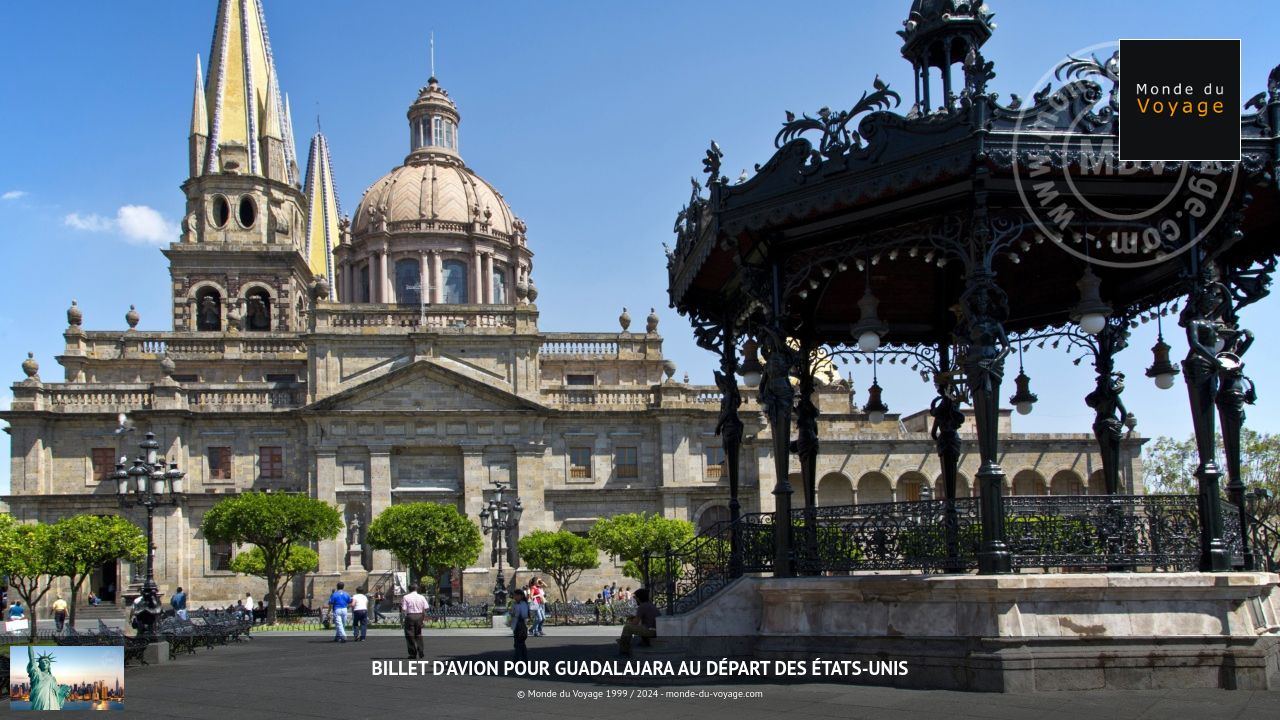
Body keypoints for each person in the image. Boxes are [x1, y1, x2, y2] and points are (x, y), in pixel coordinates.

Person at [26, 646, 72, 710]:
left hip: (53, 703)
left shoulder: (53, 678)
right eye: (42, 662)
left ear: (49, 665)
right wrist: (30, 646)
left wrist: (64, 693)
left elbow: (58, 693)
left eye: (46, 662)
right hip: (40, 701)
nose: (44, 663)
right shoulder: (37, 674)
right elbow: (32, 659)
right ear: (39, 665)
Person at [617, 588, 659, 655]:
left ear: (639, 598)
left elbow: (635, 622)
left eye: (635, 597)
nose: (635, 599)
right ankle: (625, 642)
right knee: (632, 626)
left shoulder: (642, 606)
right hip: (655, 629)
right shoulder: (650, 605)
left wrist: (629, 621)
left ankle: (624, 649)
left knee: (627, 627)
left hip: (651, 631)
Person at [401, 583, 428, 659]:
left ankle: (413, 653)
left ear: (409, 589)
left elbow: (404, 609)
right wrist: (423, 617)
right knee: (419, 634)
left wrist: (403, 618)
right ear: (416, 589)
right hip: (420, 615)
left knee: (410, 635)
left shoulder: (406, 597)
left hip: (410, 616)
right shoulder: (421, 597)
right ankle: (421, 650)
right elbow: (426, 607)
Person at [509, 589, 530, 662]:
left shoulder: (523, 604)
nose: (514, 597)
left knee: (518, 645)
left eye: (515, 595)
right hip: (516, 626)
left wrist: (514, 614)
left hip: (521, 626)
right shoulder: (515, 603)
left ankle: (516, 661)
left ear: (520, 596)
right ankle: (524, 661)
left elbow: (524, 615)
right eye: (514, 595)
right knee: (521, 645)